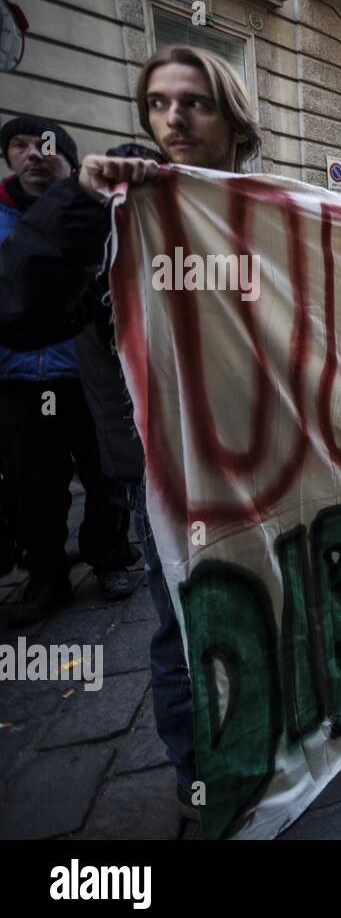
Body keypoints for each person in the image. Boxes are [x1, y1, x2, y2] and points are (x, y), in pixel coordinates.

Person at [0, 45, 263, 817]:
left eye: (196, 102)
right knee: (185, 616)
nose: (174, 118)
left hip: (265, 451)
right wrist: (81, 200)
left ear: (234, 118)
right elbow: (23, 307)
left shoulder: (274, 209)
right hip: (164, 463)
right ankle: (199, 775)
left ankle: (268, 727)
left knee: (261, 597)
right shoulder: (117, 207)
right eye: (158, 103)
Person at [0, 117, 138, 625]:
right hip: (19, 382)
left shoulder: (97, 211)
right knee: (33, 484)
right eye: (21, 145)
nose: (35, 154)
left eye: (47, 146)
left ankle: (111, 557)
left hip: (86, 377)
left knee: (105, 476)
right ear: (7, 155)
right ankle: (46, 576)